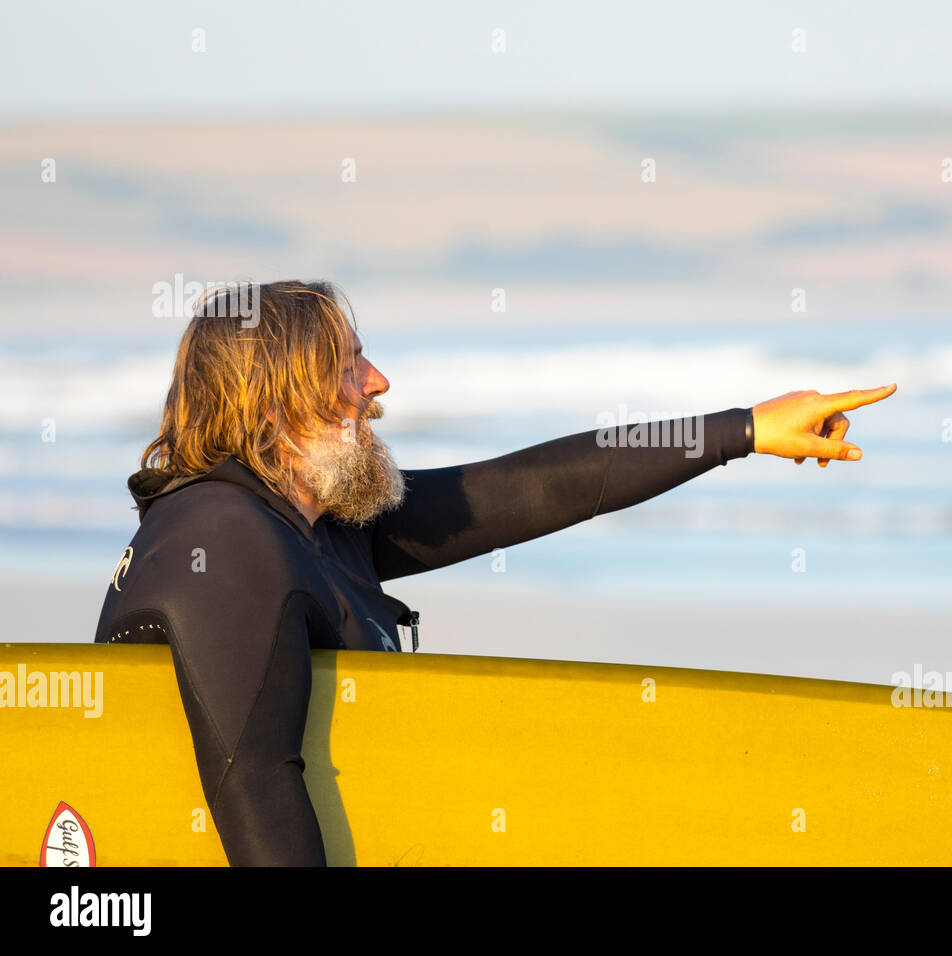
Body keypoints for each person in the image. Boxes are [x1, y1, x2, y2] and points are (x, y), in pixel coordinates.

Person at [93, 280, 896, 865]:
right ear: (271, 403)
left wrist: (748, 428)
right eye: (347, 365)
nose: (376, 385)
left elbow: (537, 488)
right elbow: (254, 788)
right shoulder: (225, 540)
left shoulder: (317, 532)